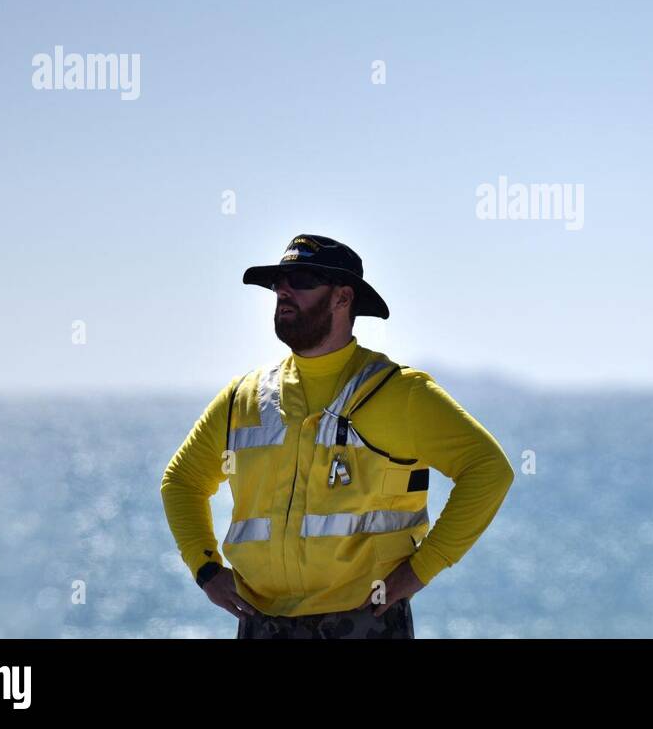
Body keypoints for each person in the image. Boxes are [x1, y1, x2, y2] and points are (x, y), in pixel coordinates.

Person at [161, 234, 515, 638]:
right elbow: (181, 481)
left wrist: (421, 570)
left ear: (343, 298)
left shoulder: (401, 393)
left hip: (364, 622)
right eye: (279, 283)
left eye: (304, 280)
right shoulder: (243, 398)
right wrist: (206, 569)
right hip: (262, 624)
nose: (285, 291)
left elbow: (489, 470)